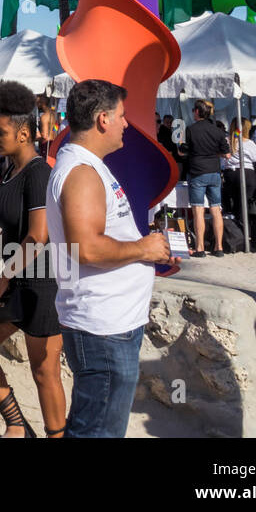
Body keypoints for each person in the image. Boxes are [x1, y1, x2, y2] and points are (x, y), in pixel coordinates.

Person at [45, 79, 174, 438]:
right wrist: (143, 249)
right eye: (122, 115)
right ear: (103, 119)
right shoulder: (82, 173)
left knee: (96, 427)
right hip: (102, 328)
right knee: (96, 432)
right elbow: (85, 248)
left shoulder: (87, 166)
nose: (126, 124)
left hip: (110, 324)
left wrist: (148, 253)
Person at [0, 81, 63, 438]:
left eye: (1, 132)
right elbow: (14, 227)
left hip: (42, 284)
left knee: (44, 372)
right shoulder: (11, 170)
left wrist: (3, 276)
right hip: (14, 278)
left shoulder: (39, 173)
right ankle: (17, 424)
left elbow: (38, 235)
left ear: (23, 134)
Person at [179, 100, 229, 259]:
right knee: (216, 209)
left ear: (198, 112)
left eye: (194, 110)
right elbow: (226, 154)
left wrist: (182, 146)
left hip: (197, 172)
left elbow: (182, 152)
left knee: (198, 210)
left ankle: (200, 248)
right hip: (214, 172)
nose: (193, 112)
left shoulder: (191, 130)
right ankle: (219, 247)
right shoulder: (217, 131)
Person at [220, 118, 256, 226]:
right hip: (247, 173)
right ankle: (244, 227)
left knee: (235, 202)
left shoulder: (226, 141)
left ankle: (236, 228)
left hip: (230, 173)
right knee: (245, 203)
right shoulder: (248, 142)